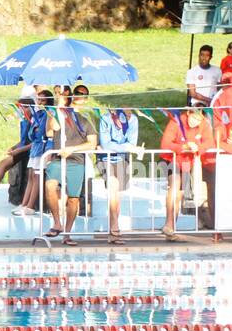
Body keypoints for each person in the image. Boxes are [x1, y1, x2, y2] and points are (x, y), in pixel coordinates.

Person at [42, 85, 96, 246]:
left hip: (77, 161)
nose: (81, 97)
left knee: (73, 199)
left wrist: (72, 148)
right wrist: (58, 103)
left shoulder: (87, 119)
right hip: (59, 159)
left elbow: (92, 143)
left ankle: (67, 233)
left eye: (84, 95)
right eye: (78, 93)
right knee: (50, 185)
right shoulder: (61, 113)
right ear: (72, 95)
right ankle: (57, 223)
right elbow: (50, 131)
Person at [159, 109, 215, 241]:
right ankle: (168, 223)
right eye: (192, 118)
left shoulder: (204, 124)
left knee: (179, 195)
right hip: (170, 158)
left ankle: (171, 228)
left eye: (197, 120)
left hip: (186, 162)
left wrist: (198, 148)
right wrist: (184, 147)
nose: (194, 122)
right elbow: (165, 144)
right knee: (174, 185)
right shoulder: (176, 121)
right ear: (188, 113)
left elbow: (210, 142)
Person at [97, 106, 139, 245]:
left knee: (117, 196)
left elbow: (132, 142)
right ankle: (114, 228)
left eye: (128, 116)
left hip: (122, 159)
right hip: (105, 159)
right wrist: (126, 147)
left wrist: (123, 147)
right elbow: (105, 144)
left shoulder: (133, 120)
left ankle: (113, 231)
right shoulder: (106, 118)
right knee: (112, 189)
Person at [0, 97, 35, 201]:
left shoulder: (34, 120)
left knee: (4, 164)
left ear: (30, 108)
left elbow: (34, 141)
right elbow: (24, 139)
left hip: (29, 150)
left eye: (21, 108)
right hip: (22, 149)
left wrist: (19, 150)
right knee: (3, 163)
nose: (20, 111)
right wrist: (14, 147)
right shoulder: (24, 120)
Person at [15, 87, 54, 217]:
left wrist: (36, 132)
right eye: (38, 99)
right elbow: (32, 134)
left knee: (37, 177)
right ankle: (24, 204)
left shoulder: (48, 114)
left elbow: (42, 132)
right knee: (31, 176)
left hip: (43, 147)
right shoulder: (37, 115)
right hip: (35, 148)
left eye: (43, 100)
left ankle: (30, 206)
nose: (39, 102)